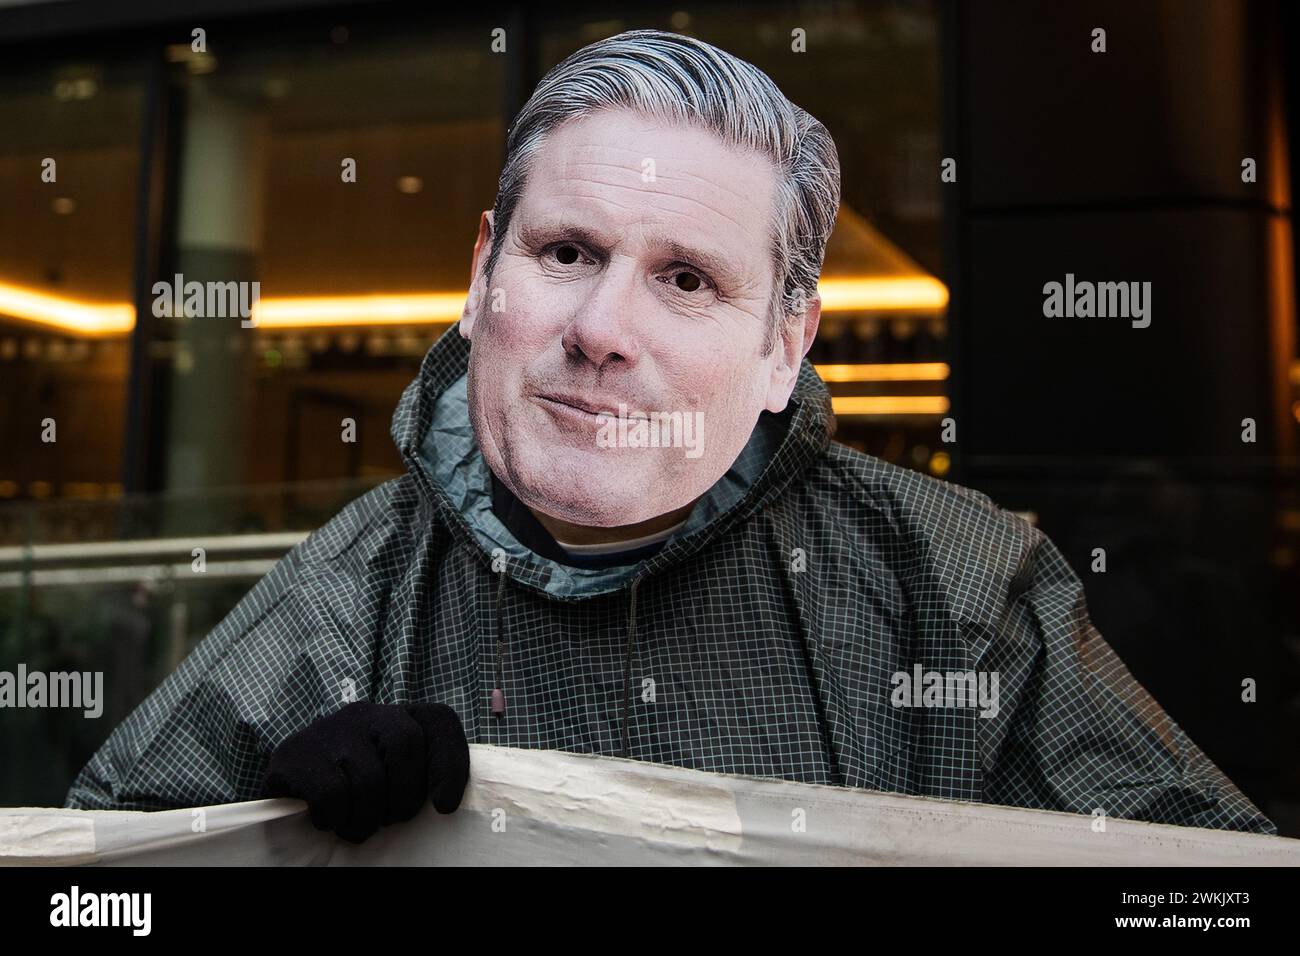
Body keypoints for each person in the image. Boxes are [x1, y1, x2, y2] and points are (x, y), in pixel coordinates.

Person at [65, 29, 1276, 843]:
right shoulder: (344, 595)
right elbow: (83, 903)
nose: (600, 328)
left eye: (686, 279)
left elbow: (1199, 898)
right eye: (566, 252)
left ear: (785, 344)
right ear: (486, 269)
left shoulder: (955, 587)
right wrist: (263, 848)